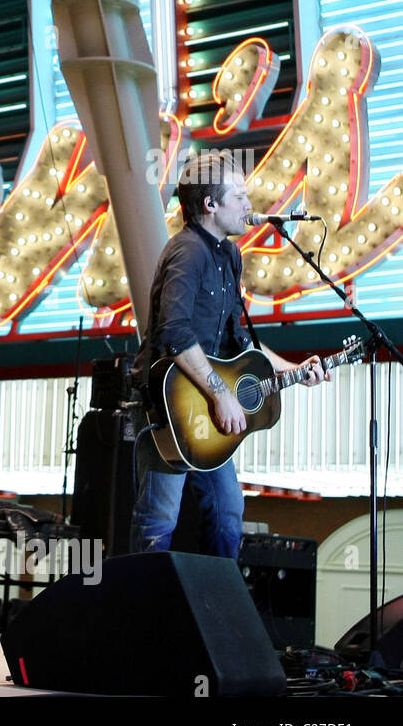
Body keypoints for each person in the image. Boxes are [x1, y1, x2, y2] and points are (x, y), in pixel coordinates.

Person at [130, 151, 330, 558]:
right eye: (239, 196)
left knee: (227, 511)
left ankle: (218, 595)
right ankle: (139, 597)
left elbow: (238, 339)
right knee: (158, 521)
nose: (248, 205)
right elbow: (174, 333)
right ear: (210, 204)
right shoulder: (188, 252)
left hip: (205, 404)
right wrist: (221, 394)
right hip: (167, 404)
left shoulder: (230, 255)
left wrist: (293, 368)